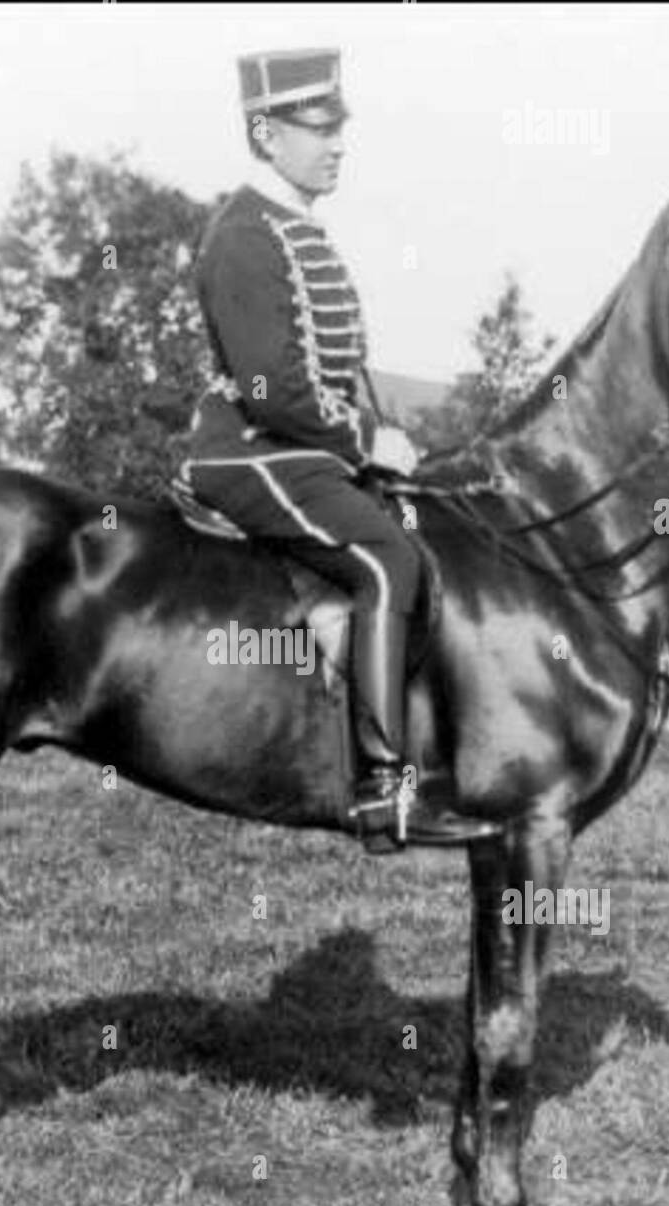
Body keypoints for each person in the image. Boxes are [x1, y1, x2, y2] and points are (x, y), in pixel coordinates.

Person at [180, 48, 429, 853]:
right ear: (266, 132)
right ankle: (382, 780)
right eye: (315, 128)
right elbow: (273, 392)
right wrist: (368, 440)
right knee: (391, 558)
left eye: (337, 127)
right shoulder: (246, 235)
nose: (335, 144)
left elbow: (330, 372)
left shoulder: (297, 229)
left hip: (298, 451)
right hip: (251, 451)